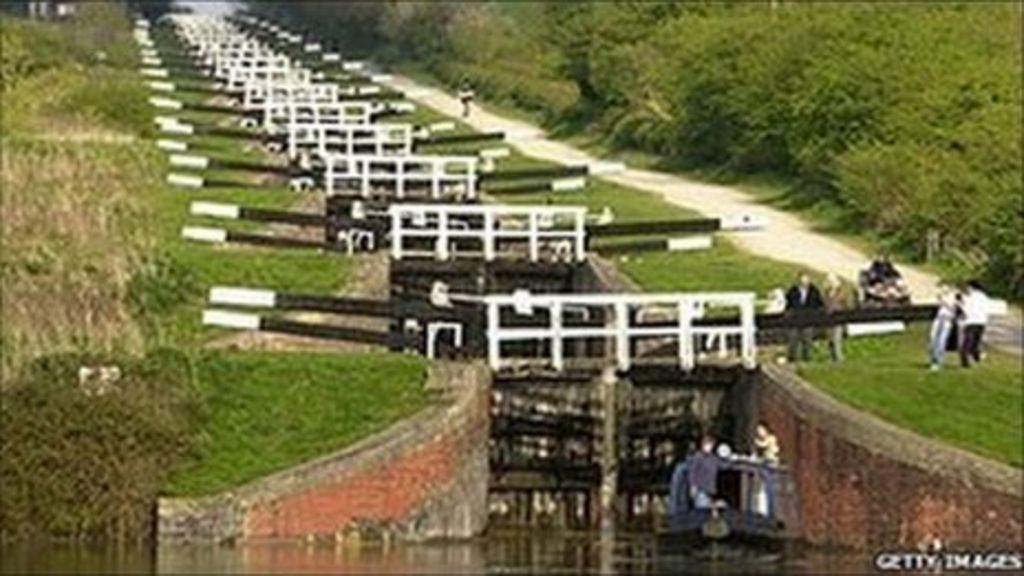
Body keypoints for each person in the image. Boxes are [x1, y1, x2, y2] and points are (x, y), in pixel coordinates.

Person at [784, 272, 825, 362]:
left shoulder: (814, 291)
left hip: (808, 320)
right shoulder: (793, 290)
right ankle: (792, 359)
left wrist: (815, 315)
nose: (804, 282)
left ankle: (807, 359)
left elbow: (819, 304)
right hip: (795, 320)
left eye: (806, 280)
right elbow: (788, 303)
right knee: (793, 340)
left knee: (807, 340)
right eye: (802, 280)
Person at [824, 273, 854, 362]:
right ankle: (832, 357)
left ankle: (839, 358)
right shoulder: (827, 292)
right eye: (829, 281)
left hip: (838, 319)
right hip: (828, 319)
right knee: (830, 340)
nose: (831, 283)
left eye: (832, 281)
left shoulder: (841, 292)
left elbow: (847, 305)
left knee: (837, 339)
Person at [959, 281, 989, 367]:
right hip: (981, 322)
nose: (966, 289)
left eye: (967, 287)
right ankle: (977, 357)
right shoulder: (984, 297)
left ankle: (965, 363)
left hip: (971, 322)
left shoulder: (970, 297)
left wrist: (960, 304)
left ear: (971, 287)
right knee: (975, 342)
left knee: (967, 343)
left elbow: (966, 310)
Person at [928, 286, 958, 371]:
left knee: (941, 341)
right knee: (933, 339)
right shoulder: (942, 297)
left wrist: (944, 301)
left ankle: (938, 362)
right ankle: (933, 359)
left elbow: (953, 309)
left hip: (947, 320)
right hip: (938, 318)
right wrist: (941, 299)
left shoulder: (953, 298)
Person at [687, 436, 719, 510]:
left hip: (710, 491)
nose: (709, 447)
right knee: (702, 512)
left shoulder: (713, 458)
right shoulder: (698, 457)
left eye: (711, 445)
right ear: (702, 445)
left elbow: (722, 465)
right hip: (701, 491)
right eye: (707, 444)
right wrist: (693, 486)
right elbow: (692, 472)